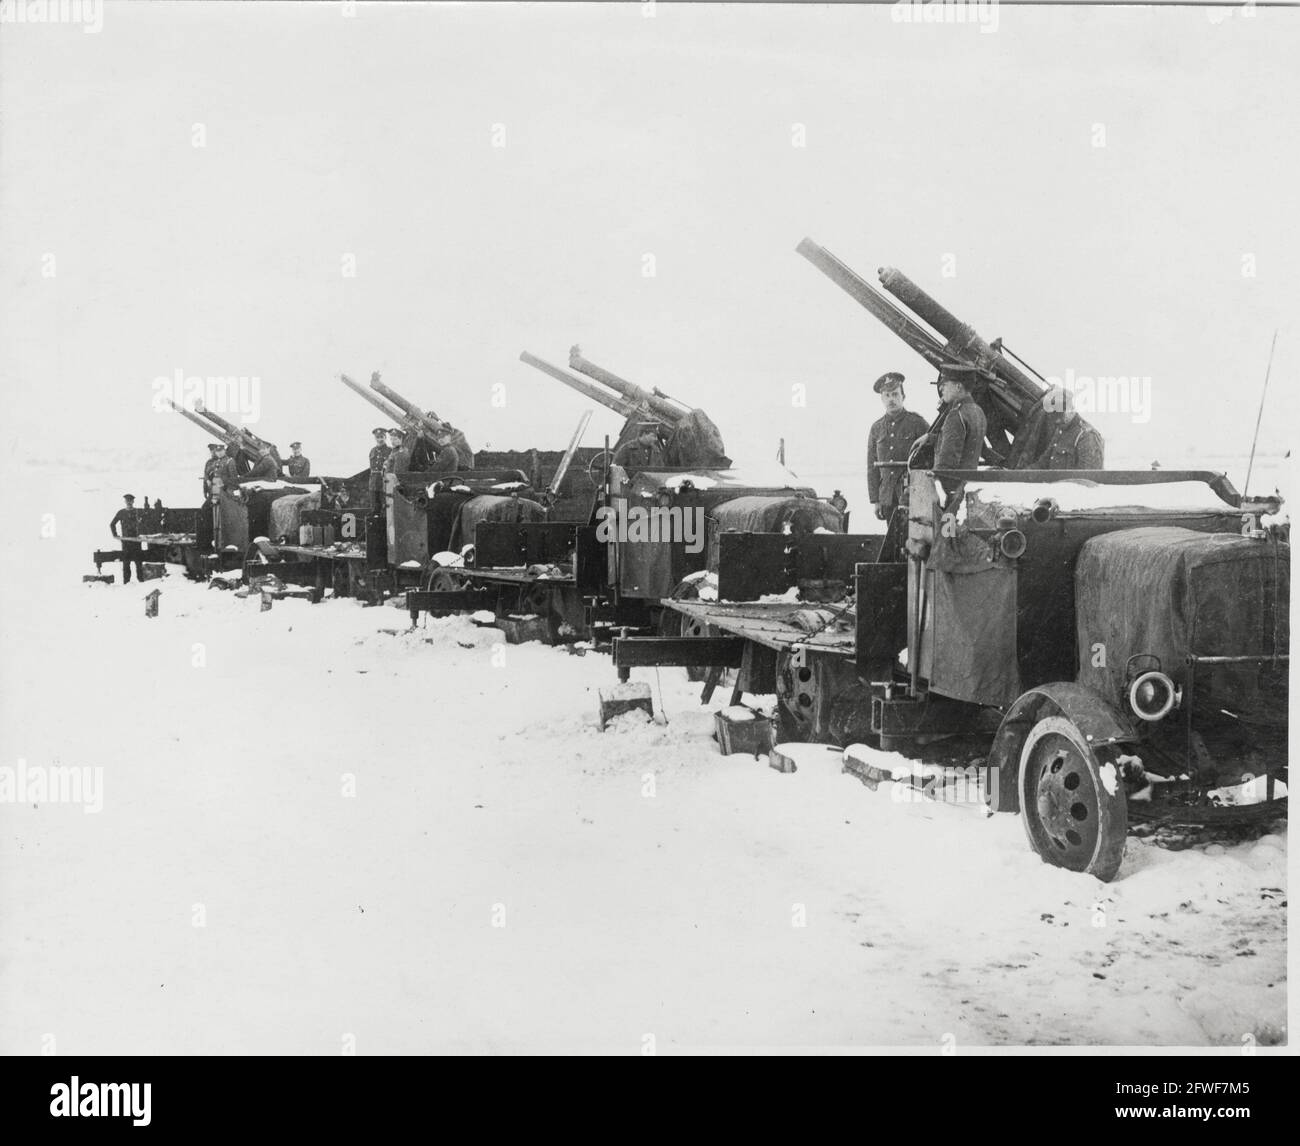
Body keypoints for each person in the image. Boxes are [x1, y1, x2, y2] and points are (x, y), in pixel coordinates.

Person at [866, 372, 929, 523]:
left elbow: (931, 457)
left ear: (903, 396)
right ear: (882, 399)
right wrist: (876, 500)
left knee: (916, 540)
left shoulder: (917, 423)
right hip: (887, 497)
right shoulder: (876, 428)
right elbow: (872, 467)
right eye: (887, 395)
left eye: (895, 394)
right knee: (892, 540)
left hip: (913, 495)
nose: (891, 399)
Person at [919, 364, 988, 502]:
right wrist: (931, 438)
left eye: (945, 384)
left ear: (958, 386)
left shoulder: (956, 415)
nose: (941, 388)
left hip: (950, 495)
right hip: (967, 490)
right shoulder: (978, 412)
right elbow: (966, 442)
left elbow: (945, 466)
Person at [1022, 387, 1104, 470]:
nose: (1056, 421)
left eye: (1059, 415)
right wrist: (1019, 476)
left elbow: (1088, 479)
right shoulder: (1060, 431)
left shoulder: (1087, 437)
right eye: (1052, 416)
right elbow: (1043, 463)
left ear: (1070, 410)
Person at [109, 494, 144, 583]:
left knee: (138, 562)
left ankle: (141, 582)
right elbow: (112, 524)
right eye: (127, 500)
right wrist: (115, 535)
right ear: (125, 502)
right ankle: (126, 583)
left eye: (130, 500)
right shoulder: (121, 512)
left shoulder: (137, 512)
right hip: (126, 542)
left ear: (133, 501)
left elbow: (144, 522)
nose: (129, 502)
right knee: (126, 563)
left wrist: (142, 534)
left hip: (136, 541)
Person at [368, 427, 392, 512]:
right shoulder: (372, 451)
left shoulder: (390, 450)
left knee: (385, 507)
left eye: (382, 437)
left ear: (385, 437)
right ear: (375, 438)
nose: (380, 439)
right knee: (374, 506)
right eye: (378, 437)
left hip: (384, 482)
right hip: (374, 482)